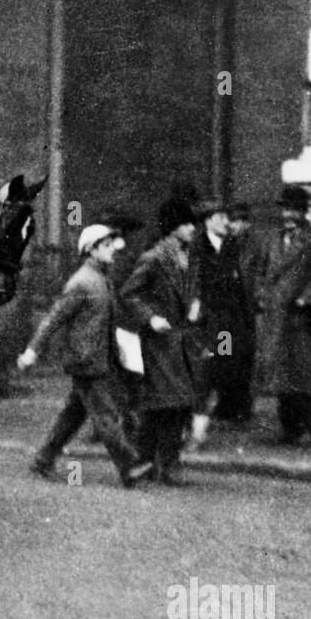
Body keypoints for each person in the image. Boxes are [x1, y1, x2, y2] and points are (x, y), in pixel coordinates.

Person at [18, 225, 150, 488]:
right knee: (105, 416)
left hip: (96, 358)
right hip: (87, 361)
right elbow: (53, 318)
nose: (113, 250)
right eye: (108, 245)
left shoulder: (101, 279)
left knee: (74, 414)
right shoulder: (82, 282)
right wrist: (32, 351)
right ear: (91, 250)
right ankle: (130, 466)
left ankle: (43, 458)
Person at [120, 199, 205, 484]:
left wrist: (195, 303)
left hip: (182, 341)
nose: (192, 228)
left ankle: (155, 463)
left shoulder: (190, 256)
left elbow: (191, 290)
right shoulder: (154, 257)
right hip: (159, 343)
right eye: (186, 224)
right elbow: (130, 293)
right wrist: (151, 317)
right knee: (165, 404)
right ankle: (157, 463)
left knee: (175, 404)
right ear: (172, 228)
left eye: (193, 223)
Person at [253, 184, 311, 445]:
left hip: (299, 316)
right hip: (275, 315)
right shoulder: (271, 238)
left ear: (304, 212)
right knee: (281, 375)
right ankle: (289, 429)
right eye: (285, 209)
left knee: (306, 376)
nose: (288, 215)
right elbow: (259, 268)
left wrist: (307, 297)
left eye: (294, 210)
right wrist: (261, 294)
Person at [190, 197, 255, 439]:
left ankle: (221, 414)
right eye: (221, 218)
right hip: (205, 319)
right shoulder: (197, 245)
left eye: (227, 218)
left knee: (225, 363)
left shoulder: (232, 246)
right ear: (208, 221)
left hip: (229, 320)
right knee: (204, 369)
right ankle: (196, 426)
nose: (226, 222)